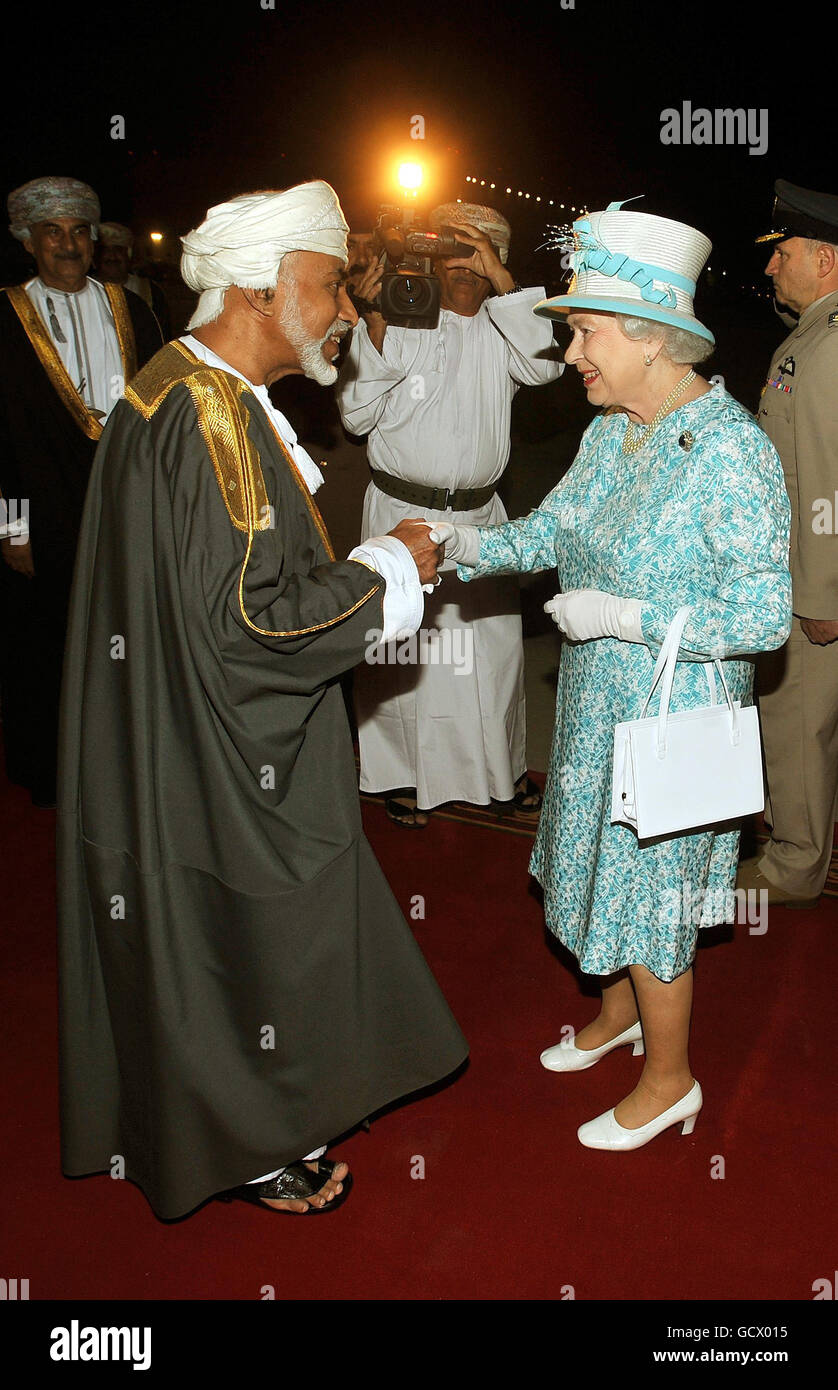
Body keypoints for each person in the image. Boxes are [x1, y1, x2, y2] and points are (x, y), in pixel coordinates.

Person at [56, 179, 467, 1219]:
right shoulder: (216, 420)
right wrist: (394, 564)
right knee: (255, 929)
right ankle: (249, 1142)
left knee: (193, 930)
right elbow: (255, 627)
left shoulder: (170, 383)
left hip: (167, 726)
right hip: (226, 744)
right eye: (328, 287)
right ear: (260, 289)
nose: (343, 309)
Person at [434, 203, 791, 1149]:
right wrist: (461, 546)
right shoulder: (613, 431)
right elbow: (552, 532)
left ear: (651, 338)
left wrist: (635, 618)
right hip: (597, 699)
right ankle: (619, 1015)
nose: (570, 354)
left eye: (585, 333)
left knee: (652, 896)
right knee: (599, 868)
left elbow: (762, 617)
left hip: (673, 715)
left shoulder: (732, 453)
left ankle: (671, 1081)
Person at [336, 200, 563, 826]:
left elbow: (547, 366)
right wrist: (378, 319)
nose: (461, 263)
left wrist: (504, 281)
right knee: (402, 650)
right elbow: (355, 417)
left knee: (493, 656)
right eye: (451, 249)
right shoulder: (404, 313)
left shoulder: (503, 325)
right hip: (400, 515)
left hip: (482, 520)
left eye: (476, 251)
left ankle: (500, 771)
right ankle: (400, 777)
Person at [0, 176, 161, 806]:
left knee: (128, 638)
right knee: (49, 645)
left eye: (78, 233)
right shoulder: (7, 316)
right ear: (29, 244)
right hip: (41, 515)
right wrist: (11, 530)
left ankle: (125, 765)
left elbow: (165, 412)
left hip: (125, 506)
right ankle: (54, 773)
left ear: (93, 242)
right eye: (52, 233)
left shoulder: (133, 310)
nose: (67, 245)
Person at [736, 180, 838, 908]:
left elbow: (829, 485)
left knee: (801, 722)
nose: (772, 267)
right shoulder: (812, 336)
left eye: (785, 253)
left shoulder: (830, 349)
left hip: (816, 580)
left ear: (826, 258)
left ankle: (794, 868)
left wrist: (823, 594)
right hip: (805, 569)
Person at [96, 220, 172, 338]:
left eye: (118, 250)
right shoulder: (85, 291)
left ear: (128, 255)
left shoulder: (150, 292)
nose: (112, 256)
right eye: (106, 250)